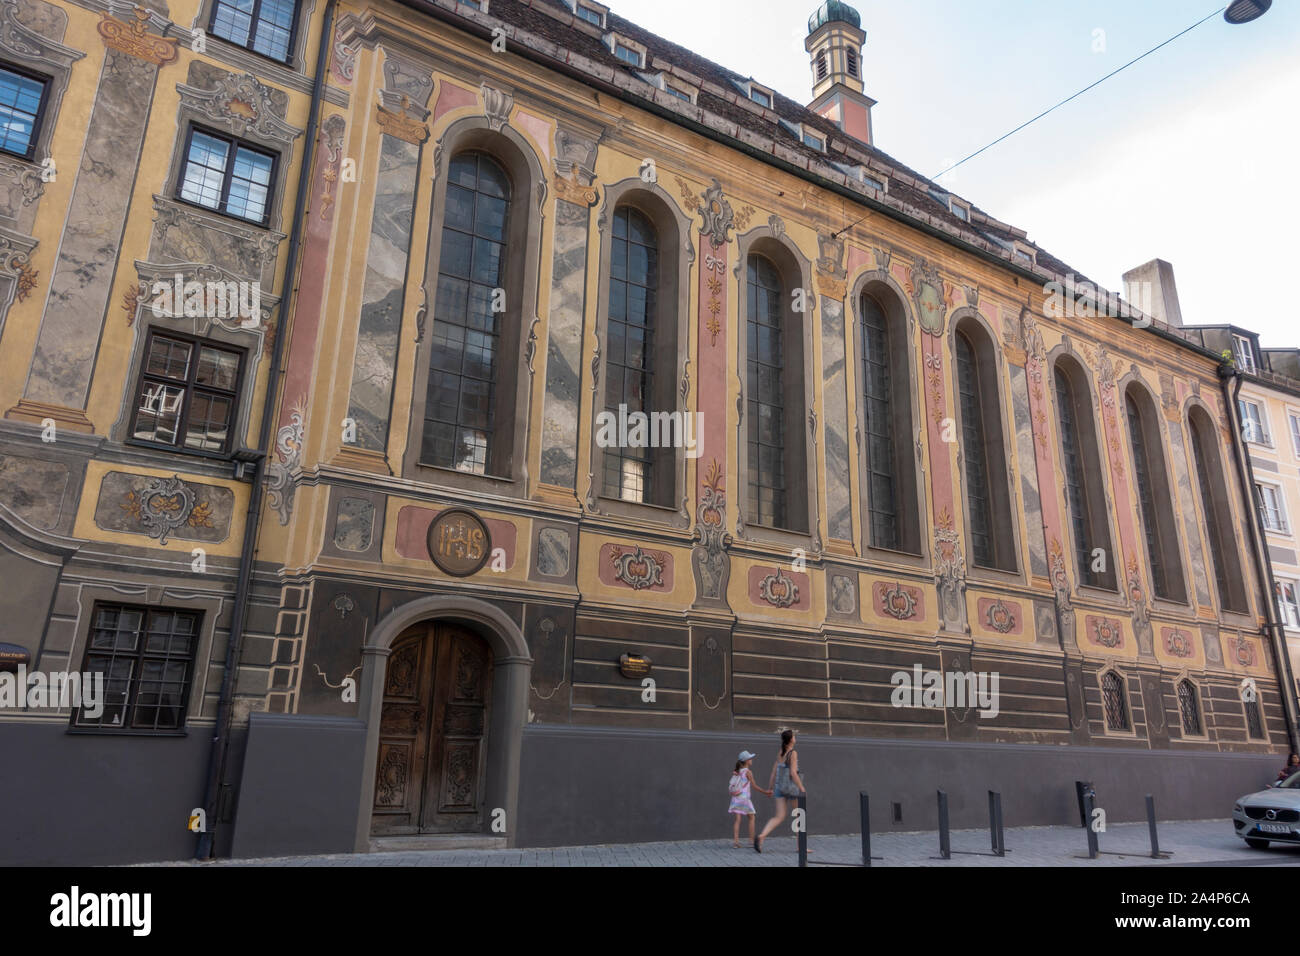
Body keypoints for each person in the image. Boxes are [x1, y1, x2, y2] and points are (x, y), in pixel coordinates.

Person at [755, 729, 805, 853]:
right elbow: (793, 773)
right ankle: (801, 846)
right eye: (794, 736)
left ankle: (762, 835)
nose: (795, 738)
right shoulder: (793, 753)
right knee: (799, 815)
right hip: (791, 788)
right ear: (791, 739)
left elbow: (774, 772)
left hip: (779, 787)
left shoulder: (781, 753)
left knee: (779, 816)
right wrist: (801, 787)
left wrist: (770, 788)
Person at [728, 750, 770, 848]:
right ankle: (751, 841)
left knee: (737, 820)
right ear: (746, 761)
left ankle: (736, 842)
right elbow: (755, 786)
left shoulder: (737, 772)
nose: (752, 760)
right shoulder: (748, 772)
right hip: (744, 799)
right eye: (750, 758)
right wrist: (766, 792)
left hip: (735, 798)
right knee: (751, 817)